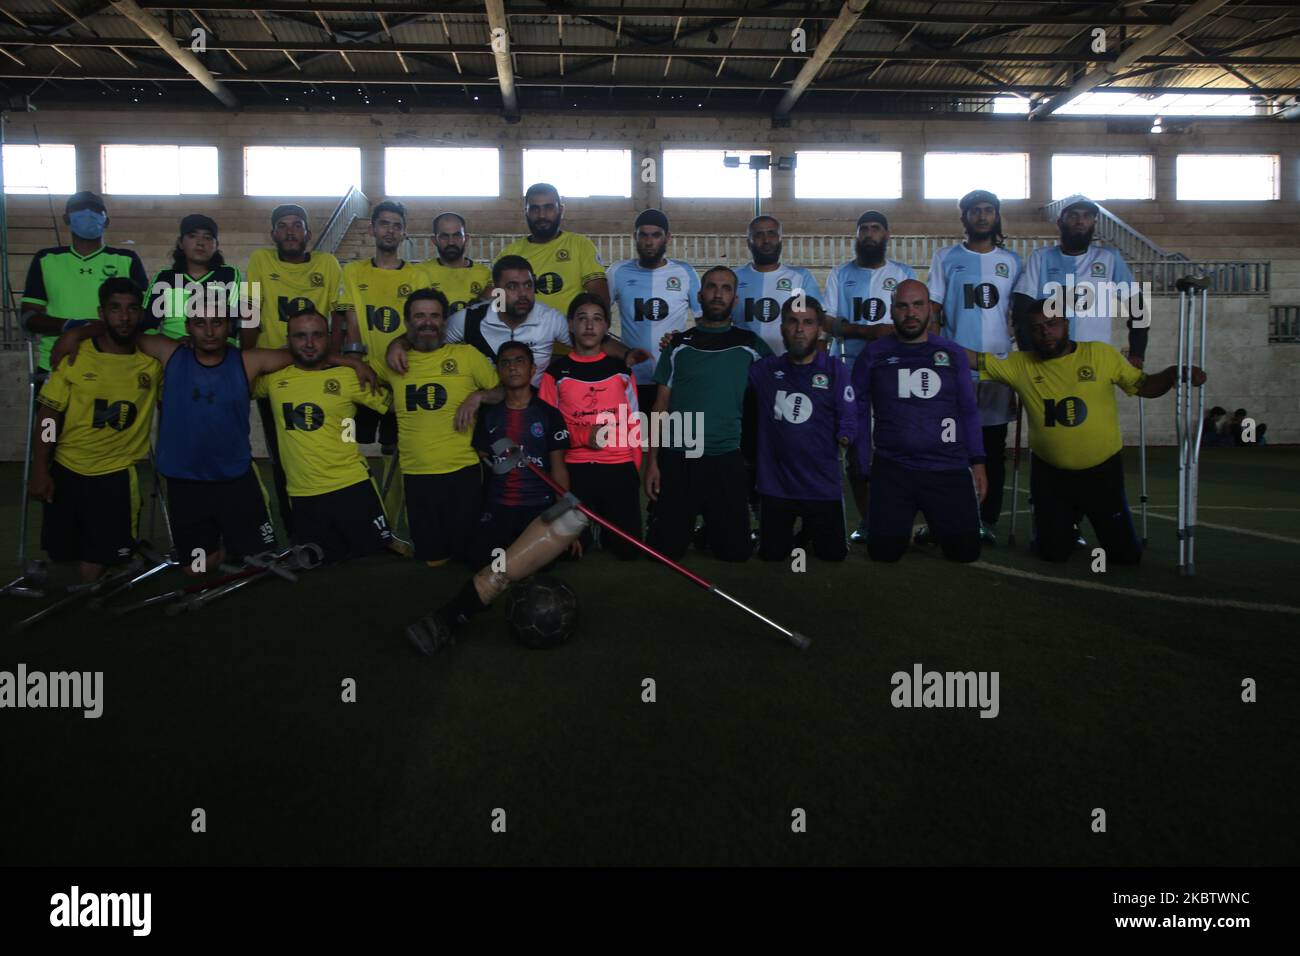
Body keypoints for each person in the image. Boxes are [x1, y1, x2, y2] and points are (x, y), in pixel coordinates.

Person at [50, 291, 358, 575]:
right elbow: (122, 329)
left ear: (230, 327)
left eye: (217, 323)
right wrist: (76, 333)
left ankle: (237, 543)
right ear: (188, 327)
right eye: (200, 323)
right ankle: (221, 549)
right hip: (186, 481)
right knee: (196, 569)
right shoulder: (169, 353)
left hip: (235, 477)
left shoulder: (248, 361)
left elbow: (305, 352)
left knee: (260, 557)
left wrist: (345, 360)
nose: (209, 331)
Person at [967, 299, 1207, 564]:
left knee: (1126, 558)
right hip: (1051, 474)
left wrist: (1172, 374)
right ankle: (1066, 525)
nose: (1045, 332)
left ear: (1066, 323)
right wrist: (932, 340)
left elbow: (1145, 385)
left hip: (1102, 472)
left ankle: (1090, 525)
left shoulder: (1100, 355)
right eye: (1036, 327)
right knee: (1052, 553)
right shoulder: (1019, 364)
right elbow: (971, 359)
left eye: (1052, 324)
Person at [29, 278, 161, 582]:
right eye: (115, 308)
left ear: (141, 314)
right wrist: (40, 469)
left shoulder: (152, 365)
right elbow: (49, 416)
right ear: (102, 313)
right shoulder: (75, 356)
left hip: (116, 476)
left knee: (93, 568)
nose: (124, 317)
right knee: (64, 554)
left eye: (131, 309)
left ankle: (114, 563)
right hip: (68, 469)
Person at [852, 280, 986, 564]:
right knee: (883, 553)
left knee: (965, 553)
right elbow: (859, 410)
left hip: (947, 467)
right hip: (894, 468)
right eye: (902, 306)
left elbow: (968, 410)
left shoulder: (952, 353)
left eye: (917, 305)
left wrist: (978, 462)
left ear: (930, 309)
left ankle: (936, 525)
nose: (910, 313)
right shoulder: (874, 354)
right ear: (892, 310)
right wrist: (862, 465)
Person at [644, 266, 772, 562]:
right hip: (680, 454)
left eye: (726, 288)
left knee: (736, 554)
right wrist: (652, 463)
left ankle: (708, 529)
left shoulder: (751, 345)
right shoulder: (678, 344)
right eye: (712, 287)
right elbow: (660, 406)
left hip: (725, 454)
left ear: (735, 299)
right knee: (663, 553)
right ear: (700, 295)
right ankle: (679, 523)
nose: (718, 294)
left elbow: (779, 380)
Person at [253, 310, 395, 563]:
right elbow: (240, 370)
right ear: (288, 340)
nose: (309, 343)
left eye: (317, 335)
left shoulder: (350, 377)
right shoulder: (272, 380)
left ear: (328, 338)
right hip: (303, 493)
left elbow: (396, 406)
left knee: (373, 558)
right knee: (320, 561)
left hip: (351, 485)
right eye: (300, 336)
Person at [923, 191, 1022, 545]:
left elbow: (1020, 316)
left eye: (988, 210)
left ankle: (986, 519)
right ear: (964, 217)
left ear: (996, 216)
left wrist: (1021, 371)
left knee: (992, 448)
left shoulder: (1012, 261)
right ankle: (945, 517)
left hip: (998, 370)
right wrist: (935, 359)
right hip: (955, 369)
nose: (982, 216)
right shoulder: (946, 257)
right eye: (975, 211)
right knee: (948, 445)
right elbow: (933, 313)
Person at [378, 288, 503, 566]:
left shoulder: (466, 355)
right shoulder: (393, 361)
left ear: (445, 321)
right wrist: (393, 345)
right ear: (407, 321)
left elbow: (503, 391)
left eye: (434, 316)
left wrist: (478, 396)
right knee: (432, 559)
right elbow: (356, 371)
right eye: (419, 316)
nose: (427, 322)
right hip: (417, 474)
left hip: (462, 471)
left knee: (469, 556)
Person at [385, 255, 641, 388]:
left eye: (528, 285)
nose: (523, 293)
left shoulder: (548, 318)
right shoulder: (469, 319)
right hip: (483, 409)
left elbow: (592, 339)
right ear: (496, 290)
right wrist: (398, 344)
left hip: (533, 409)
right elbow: (429, 334)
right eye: (512, 287)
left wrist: (627, 354)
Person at [244, 203, 344, 535]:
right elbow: (250, 312)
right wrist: (246, 363)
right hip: (275, 375)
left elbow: (339, 317)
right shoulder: (261, 261)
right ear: (273, 233)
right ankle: (296, 531)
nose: (290, 231)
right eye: (283, 226)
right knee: (283, 457)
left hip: (319, 371)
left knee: (331, 448)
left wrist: (335, 359)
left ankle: (336, 523)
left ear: (308, 233)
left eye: (297, 225)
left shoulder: (327, 264)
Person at [823, 210, 918, 542]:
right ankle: (867, 521)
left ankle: (897, 516)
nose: (869, 234)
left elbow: (916, 319)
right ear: (856, 235)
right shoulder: (840, 274)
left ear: (887, 235)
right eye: (863, 229)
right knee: (856, 451)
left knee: (898, 446)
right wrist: (867, 332)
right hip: (850, 373)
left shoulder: (903, 274)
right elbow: (828, 321)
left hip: (894, 374)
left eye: (876, 229)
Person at [337, 200, 430, 519]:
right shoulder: (353, 272)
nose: (390, 230)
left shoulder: (417, 276)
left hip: (401, 376)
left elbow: (421, 326)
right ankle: (359, 511)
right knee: (348, 442)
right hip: (362, 375)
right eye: (384, 224)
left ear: (404, 233)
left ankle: (391, 519)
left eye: (396, 225)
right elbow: (349, 321)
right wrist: (355, 363)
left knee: (394, 447)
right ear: (372, 228)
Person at [747, 297, 857, 563]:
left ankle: (809, 531)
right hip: (777, 486)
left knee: (832, 556)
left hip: (821, 485)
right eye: (793, 322)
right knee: (772, 556)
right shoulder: (764, 370)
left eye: (808, 323)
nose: (799, 329)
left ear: (819, 329)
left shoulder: (834, 370)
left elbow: (849, 413)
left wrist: (846, 435)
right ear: (782, 328)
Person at [538, 294, 643, 560]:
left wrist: (633, 467)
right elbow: (548, 428)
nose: (589, 325)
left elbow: (633, 419)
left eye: (597, 319)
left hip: (618, 464)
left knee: (628, 553)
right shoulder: (556, 372)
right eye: (582, 318)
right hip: (575, 467)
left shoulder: (621, 370)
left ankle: (606, 528)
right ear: (570, 325)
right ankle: (587, 531)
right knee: (570, 553)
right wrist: (583, 436)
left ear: (606, 326)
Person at [22, 191, 150, 374]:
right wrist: (70, 326)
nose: (88, 213)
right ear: (66, 219)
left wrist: (83, 331)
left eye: (96, 210)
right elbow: (28, 317)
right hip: (58, 362)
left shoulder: (126, 259)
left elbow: (142, 314)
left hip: (115, 361)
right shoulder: (46, 259)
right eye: (80, 209)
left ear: (106, 221)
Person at [472, 341, 572, 567]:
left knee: (551, 561)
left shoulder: (549, 414)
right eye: (505, 363)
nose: (512, 367)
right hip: (499, 506)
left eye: (519, 361)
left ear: (532, 369)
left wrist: (563, 516)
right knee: (480, 559)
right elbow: (483, 458)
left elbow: (559, 469)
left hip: (538, 506)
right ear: (498, 371)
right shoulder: (488, 415)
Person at [605, 208, 701, 413]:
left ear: (668, 237)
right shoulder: (618, 271)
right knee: (635, 432)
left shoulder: (685, 272)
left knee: (671, 432)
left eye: (656, 235)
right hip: (631, 377)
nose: (649, 242)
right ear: (635, 236)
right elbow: (598, 320)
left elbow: (704, 325)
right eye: (644, 235)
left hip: (673, 378)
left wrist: (682, 340)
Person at [496, 183, 609, 313]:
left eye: (548, 208)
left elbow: (599, 297)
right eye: (534, 209)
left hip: (568, 327)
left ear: (561, 210)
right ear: (526, 212)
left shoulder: (580, 245)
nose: (542, 215)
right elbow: (496, 301)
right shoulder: (509, 254)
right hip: (524, 327)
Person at [144, 213, 245, 341]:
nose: (200, 243)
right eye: (192, 236)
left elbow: (233, 322)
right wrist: (174, 346)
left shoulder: (229, 274)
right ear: (180, 243)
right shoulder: (164, 277)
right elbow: (147, 324)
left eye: (208, 237)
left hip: (219, 348)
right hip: (171, 349)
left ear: (216, 245)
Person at [731, 215, 821, 357]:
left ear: (780, 240)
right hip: (742, 361)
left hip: (787, 362)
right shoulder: (733, 277)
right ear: (749, 243)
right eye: (759, 235)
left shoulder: (800, 277)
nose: (766, 240)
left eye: (772, 233)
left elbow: (813, 322)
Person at [423, 212, 494, 315]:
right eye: (444, 236)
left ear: (466, 238)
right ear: (434, 240)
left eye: (457, 235)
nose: (451, 242)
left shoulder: (485, 274)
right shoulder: (420, 272)